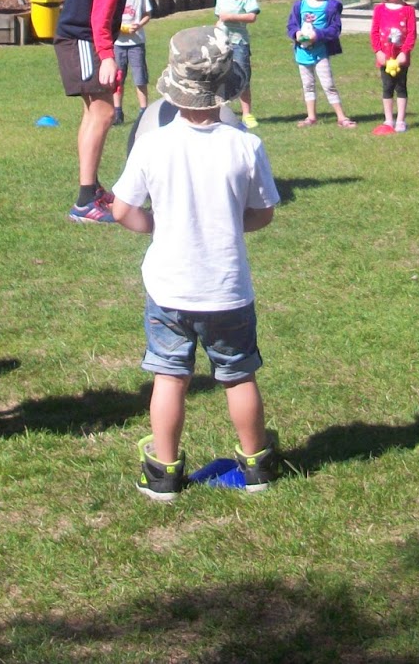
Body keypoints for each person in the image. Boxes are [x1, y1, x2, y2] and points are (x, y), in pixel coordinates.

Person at [111, 25, 283, 500]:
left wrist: (158, 227)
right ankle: (257, 468)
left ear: (173, 85)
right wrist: (228, 224)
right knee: (238, 374)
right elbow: (263, 213)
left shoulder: (153, 144)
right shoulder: (245, 145)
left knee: (170, 376)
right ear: (226, 86)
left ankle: (163, 473)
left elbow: (122, 210)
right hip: (228, 289)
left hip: (169, 289)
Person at [55, 0, 164, 223]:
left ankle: (91, 191)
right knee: (102, 113)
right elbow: (101, 8)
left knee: (94, 113)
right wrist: (106, 53)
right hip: (85, 38)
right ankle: (85, 202)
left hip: (84, 37)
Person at [287, 0, 355, 128]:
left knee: (328, 84)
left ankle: (341, 117)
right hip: (302, 53)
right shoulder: (299, 5)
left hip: (321, 52)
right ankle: (311, 117)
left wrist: (318, 35)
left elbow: (335, 29)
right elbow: (291, 26)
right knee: (308, 85)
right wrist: (296, 34)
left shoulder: (331, 5)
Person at [213, 0, 260, 128]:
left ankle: (247, 114)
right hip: (222, 43)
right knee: (220, 78)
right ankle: (220, 112)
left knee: (243, 78)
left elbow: (252, 17)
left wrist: (231, 17)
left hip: (239, 43)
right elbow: (219, 20)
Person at [369, 0, 417, 135]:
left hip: (401, 59)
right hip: (385, 57)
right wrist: (378, 52)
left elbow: (411, 34)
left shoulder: (408, 11)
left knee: (401, 87)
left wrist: (405, 52)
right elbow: (374, 32)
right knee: (387, 87)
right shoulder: (379, 10)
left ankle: (401, 120)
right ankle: (388, 119)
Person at [112, 0, 153, 127]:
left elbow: (148, 14)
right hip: (118, 43)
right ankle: (117, 111)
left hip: (136, 42)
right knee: (118, 79)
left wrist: (139, 25)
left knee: (140, 77)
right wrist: (118, 26)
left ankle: (143, 111)